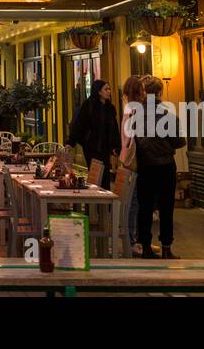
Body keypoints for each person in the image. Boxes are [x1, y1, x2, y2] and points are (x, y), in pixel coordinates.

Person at [133, 75, 184, 259]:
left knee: (144, 206)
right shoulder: (168, 116)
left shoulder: (135, 116)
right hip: (165, 165)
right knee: (166, 207)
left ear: (143, 92)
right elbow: (179, 142)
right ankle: (166, 247)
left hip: (145, 166)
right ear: (160, 92)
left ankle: (145, 246)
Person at [67, 79, 121, 188]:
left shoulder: (110, 108)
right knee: (95, 173)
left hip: (105, 147)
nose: (109, 91)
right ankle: (94, 199)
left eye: (109, 89)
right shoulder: (88, 105)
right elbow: (79, 124)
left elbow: (114, 128)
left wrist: (116, 145)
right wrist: (71, 142)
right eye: (106, 89)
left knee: (105, 173)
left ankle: (106, 201)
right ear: (98, 91)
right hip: (91, 146)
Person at [116, 74, 145, 257]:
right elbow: (136, 136)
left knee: (131, 200)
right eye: (142, 89)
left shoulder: (127, 108)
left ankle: (132, 240)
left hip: (126, 158)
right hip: (135, 160)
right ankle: (133, 241)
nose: (144, 92)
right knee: (134, 201)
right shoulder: (136, 110)